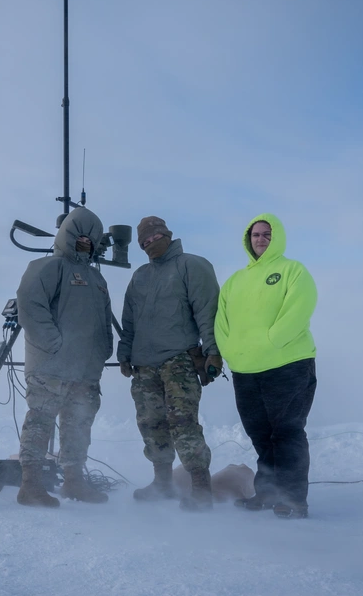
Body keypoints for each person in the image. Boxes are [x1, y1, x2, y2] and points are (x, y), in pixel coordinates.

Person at [215, 213, 317, 519]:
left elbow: (300, 307)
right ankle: (268, 492)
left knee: (286, 432)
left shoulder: (292, 270)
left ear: (277, 238)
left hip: (287, 365)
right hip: (246, 370)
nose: (261, 239)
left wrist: (272, 340)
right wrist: (231, 351)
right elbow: (221, 321)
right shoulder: (235, 280)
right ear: (248, 239)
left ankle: (293, 499)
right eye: (256, 235)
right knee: (260, 434)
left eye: (267, 235)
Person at [117, 216, 223, 511]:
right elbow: (129, 321)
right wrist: (124, 353)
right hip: (144, 364)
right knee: (151, 424)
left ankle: (201, 487)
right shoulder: (139, 276)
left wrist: (213, 352)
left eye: (154, 237)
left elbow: (207, 312)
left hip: (179, 360)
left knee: (183, 424)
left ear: (167, 234)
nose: (151, 244)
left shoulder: (192, 265)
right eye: (144, 243)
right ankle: (162, 483)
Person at [15, 207, 114, 508]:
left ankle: (74, 482)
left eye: (90, 237)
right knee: (41, 422)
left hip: (85, 369)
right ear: (66, 235)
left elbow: (104, 319)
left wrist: (104, 349)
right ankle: (30, 485)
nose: (84, 241)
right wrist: (53, 344)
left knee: (78, 424)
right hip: (51, 366)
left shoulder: (97, 279)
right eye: (79, 235)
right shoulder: (47, 267)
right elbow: (30, 306)